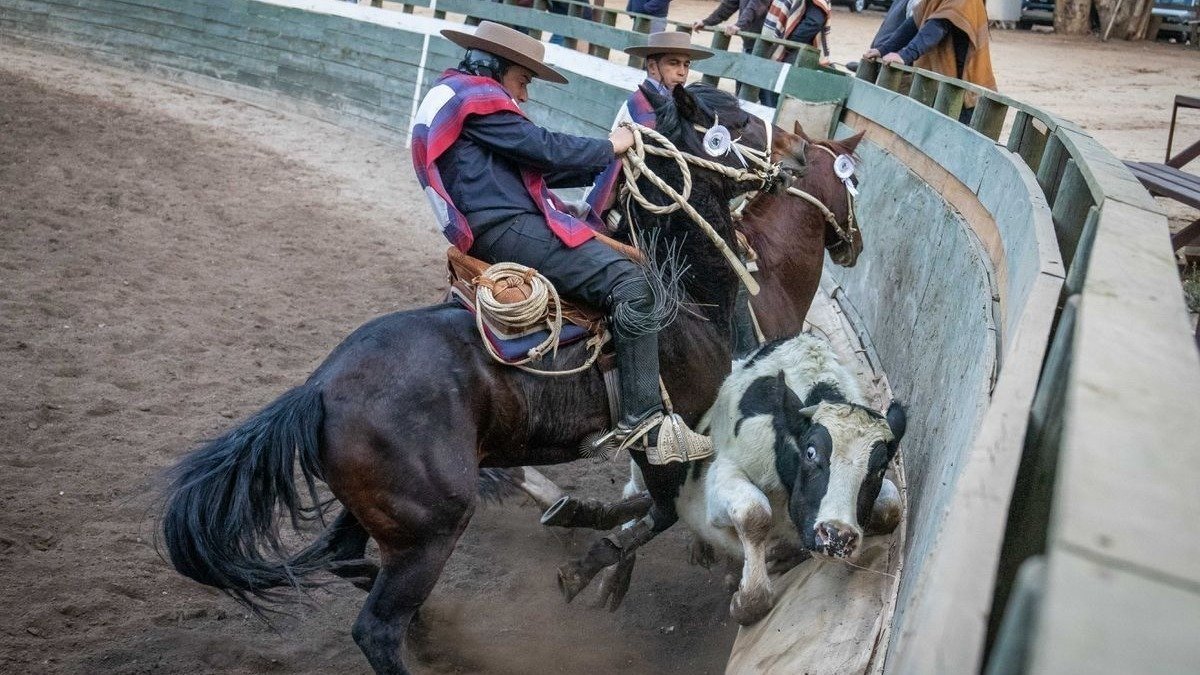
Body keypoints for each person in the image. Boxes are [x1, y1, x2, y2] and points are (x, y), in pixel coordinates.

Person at [411, 21, 685, 457]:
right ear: (492, 67)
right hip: (509, 230)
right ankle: (644, 419)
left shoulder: (457, 100)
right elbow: (545, 150)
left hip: (492, 228)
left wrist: (606, 157)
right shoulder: (478, 101)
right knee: (633, 286)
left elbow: (540, 165)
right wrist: (612, 145)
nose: (523, 95)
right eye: (522, 82)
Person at [586, 31, 714, 220]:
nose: (682, 72)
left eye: (686, 65)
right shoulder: (639, 104)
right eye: (673, 63)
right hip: (630, 191)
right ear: (653, 67)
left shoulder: (675, 101)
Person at [863, 0, 995, 121]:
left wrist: (904, 55)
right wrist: (883, 50)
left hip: (965, 95)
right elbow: (913, 24)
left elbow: (937, 27)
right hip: (942, 87)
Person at [691, 0, 770, 103]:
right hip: (751, 42)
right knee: (744, 90)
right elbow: (730, 4)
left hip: (767, 44)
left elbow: (757, 4)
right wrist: (707, 21)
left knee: (765, 92)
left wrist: (740, 25)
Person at [760, 0, 832, 106]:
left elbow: (814, 22)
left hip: (795, 53)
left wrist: (790, 42)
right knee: (769, 95)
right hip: (782, 50)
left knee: (778, 100)